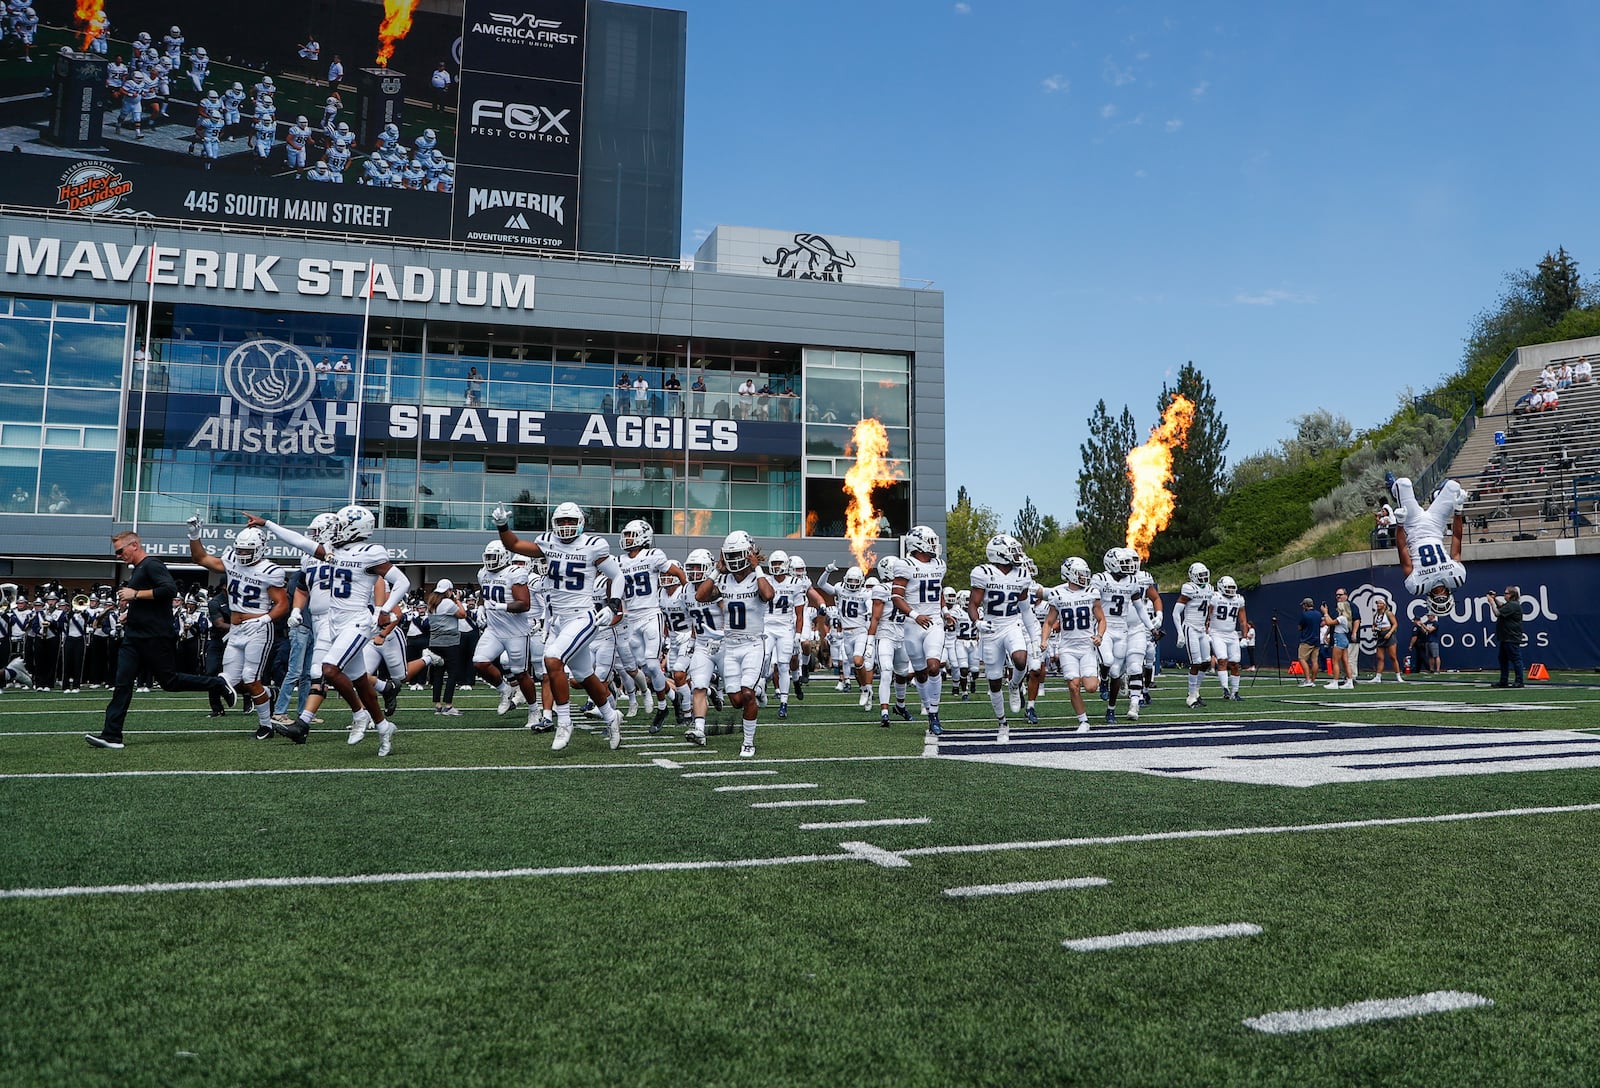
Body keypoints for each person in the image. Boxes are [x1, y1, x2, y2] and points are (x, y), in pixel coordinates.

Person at [251, 506, 408, 755]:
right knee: (360, 682)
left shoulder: (371, 552)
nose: (334, 530)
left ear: (355, 528)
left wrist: (384, 609)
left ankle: (358, 715)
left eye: (340, 525)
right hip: (332, 622)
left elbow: (402, 581)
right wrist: (267, 524)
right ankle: (383, 726)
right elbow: (299, 541)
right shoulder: (332, 551)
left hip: (357, 621)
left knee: (328, 669)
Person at [493, 501, 625, 751]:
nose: (565, 526)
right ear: (553, 523)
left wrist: (613, 605)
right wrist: (502, 525)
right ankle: (610, 716)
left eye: (570, 521)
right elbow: (514, 545)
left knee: (552, 660)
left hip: (582, 615)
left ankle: (564, 721)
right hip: (558, 620)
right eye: (561, 521)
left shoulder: (592, 545)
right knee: (585, 675)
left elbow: (617, 575)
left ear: (581, 523)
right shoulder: (547, 542)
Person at [87, 532, 238, 749]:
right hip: (134, 638)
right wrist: (132, 612)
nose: (119, 555)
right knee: (122, 684)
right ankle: (112, 735)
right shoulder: (140, 569)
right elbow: (153, 602)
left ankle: (217, 683)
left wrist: (135, 595)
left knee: (170, 682)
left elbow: (169, 590)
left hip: (155, 638)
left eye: (121, 551)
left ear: (135, 545)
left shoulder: (151, 564)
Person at [188, 518, 290, 738]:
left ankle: (266, 726)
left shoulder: (270, 570)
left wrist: (265, 619)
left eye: (247, 550)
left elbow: (283, 604)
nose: (242, 554)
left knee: (251, 678)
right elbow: (201, 558)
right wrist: (194, 535)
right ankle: (268, 695)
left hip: (258, 629)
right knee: (229, 678)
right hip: (235, 629)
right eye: (240, 549)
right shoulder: (232, 559)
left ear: (261, 548)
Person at [692, 531, 774, 758]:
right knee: (737, 701)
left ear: (749, 554)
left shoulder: (758, 579)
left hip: (753, 645)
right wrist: (716, 570)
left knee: (747, 695)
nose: (735, 559)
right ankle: (758, 687)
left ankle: (748, 743)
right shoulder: (724, 580)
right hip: (730, 646)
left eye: (739, 554)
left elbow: (768, 594)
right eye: (731, 555)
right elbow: (700, 596)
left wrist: (758, 568)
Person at [969, 534, 1038, 741]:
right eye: (1012, 551)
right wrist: (977, 622)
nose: (1017, 555)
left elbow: (1026, 610)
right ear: (999, 554)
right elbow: (973, 604)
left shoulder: (1022, 574)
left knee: (1021, 659)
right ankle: (1002, 723)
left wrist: (1034, 639)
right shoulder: (984, 573)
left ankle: (1015, 685)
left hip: (1011, 623)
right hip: (991, 627)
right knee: (993, 680)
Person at [889, 525, 949, 734]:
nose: (934, 545)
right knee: (921, 673)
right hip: (913, 624)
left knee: (934, 666)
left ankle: (934, 712)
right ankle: (930, 711)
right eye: (930, 541)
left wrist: (945, 610)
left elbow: (937, 590)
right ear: (918, 544)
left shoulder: (939, 565)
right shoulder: (905, 565)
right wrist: (915, 615)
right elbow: (896, 597)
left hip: (934, 622)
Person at [1040, 557, 1105, 733]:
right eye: (1080, 574)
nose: (1084, 577)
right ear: (1069, 574)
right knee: (1073, 685)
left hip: (1086, 645)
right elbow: (1048, 621)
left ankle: (1102, 677)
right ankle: (1083, 721)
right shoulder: (1057, 594)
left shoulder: (1092, 592)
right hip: (1067, 647)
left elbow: (1101, 619)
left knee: (1091, 687)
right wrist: (1044, 640)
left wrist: (1099, 635)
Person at [1388, 473, 1468, 615]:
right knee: (1454, 486)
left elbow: (1403, 549)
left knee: (1404, 483)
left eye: (1439, 599)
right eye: (1443, 598)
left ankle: (1393, 488)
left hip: (1413, 527)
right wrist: (1458, 511)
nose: (1440, 595)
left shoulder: (1416, 585)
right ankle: (1436, 495)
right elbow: (1456, 538)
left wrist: (1400, 524)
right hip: (1436, 527)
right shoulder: (1457, 577)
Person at [1175, 562, 1213, 708]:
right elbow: (1176, 612)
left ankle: (1196, 691)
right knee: (1195, 662)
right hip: (1190, 627)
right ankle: (1191, 697)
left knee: (1207, 661)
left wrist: (1208, 623)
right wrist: (1180, 633)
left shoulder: (1209, 588)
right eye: (1200, 576)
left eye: (1205, 575)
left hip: (1201, 629)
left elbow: (1207, 608)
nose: (1203, 578)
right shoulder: (1189, 588)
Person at [1206, 576, 1251, 701]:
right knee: (1222, 660)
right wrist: (1206, 633)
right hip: (1217, 633)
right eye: (1228, 588)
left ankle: (1235, 692)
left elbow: (1243, 620)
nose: (1231, 590)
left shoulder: (1239, 599)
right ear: (1220, 587)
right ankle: (1225, 689)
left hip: (1231, 634)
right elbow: (1206, 616)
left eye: (1232, 588)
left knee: (1235, 663)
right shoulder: (1215, 598)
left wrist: (1244, 637)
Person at [426, 580, 467, 715]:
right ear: (448, 591)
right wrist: (458, 600)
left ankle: (437, 705)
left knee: (437, 674)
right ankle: (448, 705)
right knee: (452, 674)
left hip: (434, 643)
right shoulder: (448, 603)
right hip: (449, 643)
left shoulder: (431, 603)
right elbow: (462, 614)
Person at [1487, 586, 1525, 688]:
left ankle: (1519, 681)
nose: (1504, 595)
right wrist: (1494, 599)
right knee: (1503, 659)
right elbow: (1501, 606)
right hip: (1505, 637)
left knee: (1516, 659)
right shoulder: (1510, 605)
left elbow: (1497, 613)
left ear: (1512, 595)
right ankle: (1504, 681)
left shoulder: (1513, 605)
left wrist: (1491, 602)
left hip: (1511, 637)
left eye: (1506, 593)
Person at [1368, 596, 1403, 682]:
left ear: (1384, 605)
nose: (1378, 605)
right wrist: (1373, 627)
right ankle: (1378, 677)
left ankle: (1398, 676)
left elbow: (1395, 624)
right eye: (1377, 603)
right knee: (1380, 657)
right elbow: (1374, 624)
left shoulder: (1389, 613)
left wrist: (1390, 633)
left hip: (1389, 635)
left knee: (1392, 657)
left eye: (1380, 603)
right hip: (1380, 635)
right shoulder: (1376, 615)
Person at [1296, 597, 1321, 688]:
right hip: (1317, 640)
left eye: (1303, 605)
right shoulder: (1318, 614)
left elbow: (1299, 627)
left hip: (1306, 640)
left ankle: (1308, 679)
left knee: (1302, 659)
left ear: (1306, 605)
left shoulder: (1305, 615)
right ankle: (1313, 680)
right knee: (1315, 661)